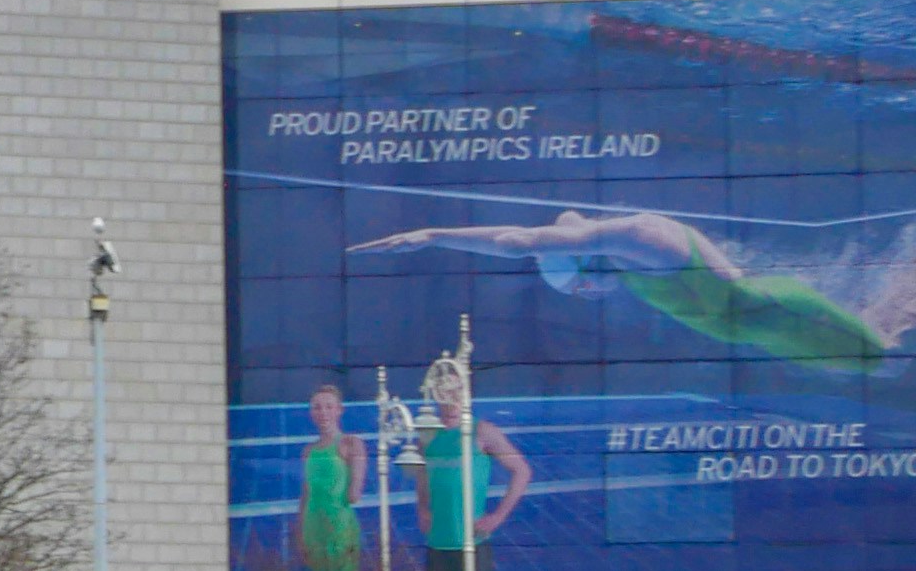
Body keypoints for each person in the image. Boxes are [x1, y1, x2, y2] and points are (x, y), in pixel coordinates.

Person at [355, 208, 892, 365]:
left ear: (584, 266)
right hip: (757, 329)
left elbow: (518, 240)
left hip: (780, 313)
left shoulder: (636, 237)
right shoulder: (615, 258)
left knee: (879, 349)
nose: (593, 296)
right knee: (879, 345)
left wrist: (432, 236)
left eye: (585, 288)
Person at [409, 354, 532, 571]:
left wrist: (497, 516)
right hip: (440, 543)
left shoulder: (483, 432)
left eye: (455, 389)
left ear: (465, 391)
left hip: (473, 543)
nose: (449, 396)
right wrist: (423, 509)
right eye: (443, 390)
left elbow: (521, 471)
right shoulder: (427, 437)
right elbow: (421, 477)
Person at [295, 383, 367, 571]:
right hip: (314, 526)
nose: (323, 413)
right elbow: (306, 494)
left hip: (339, 525)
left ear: (339, 410)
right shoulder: (309, 451)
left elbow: (355, 494)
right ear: (311, 413)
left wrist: (354, 465)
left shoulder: (350, 443)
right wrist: (300, 532)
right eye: (317, 407)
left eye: (328, 407)